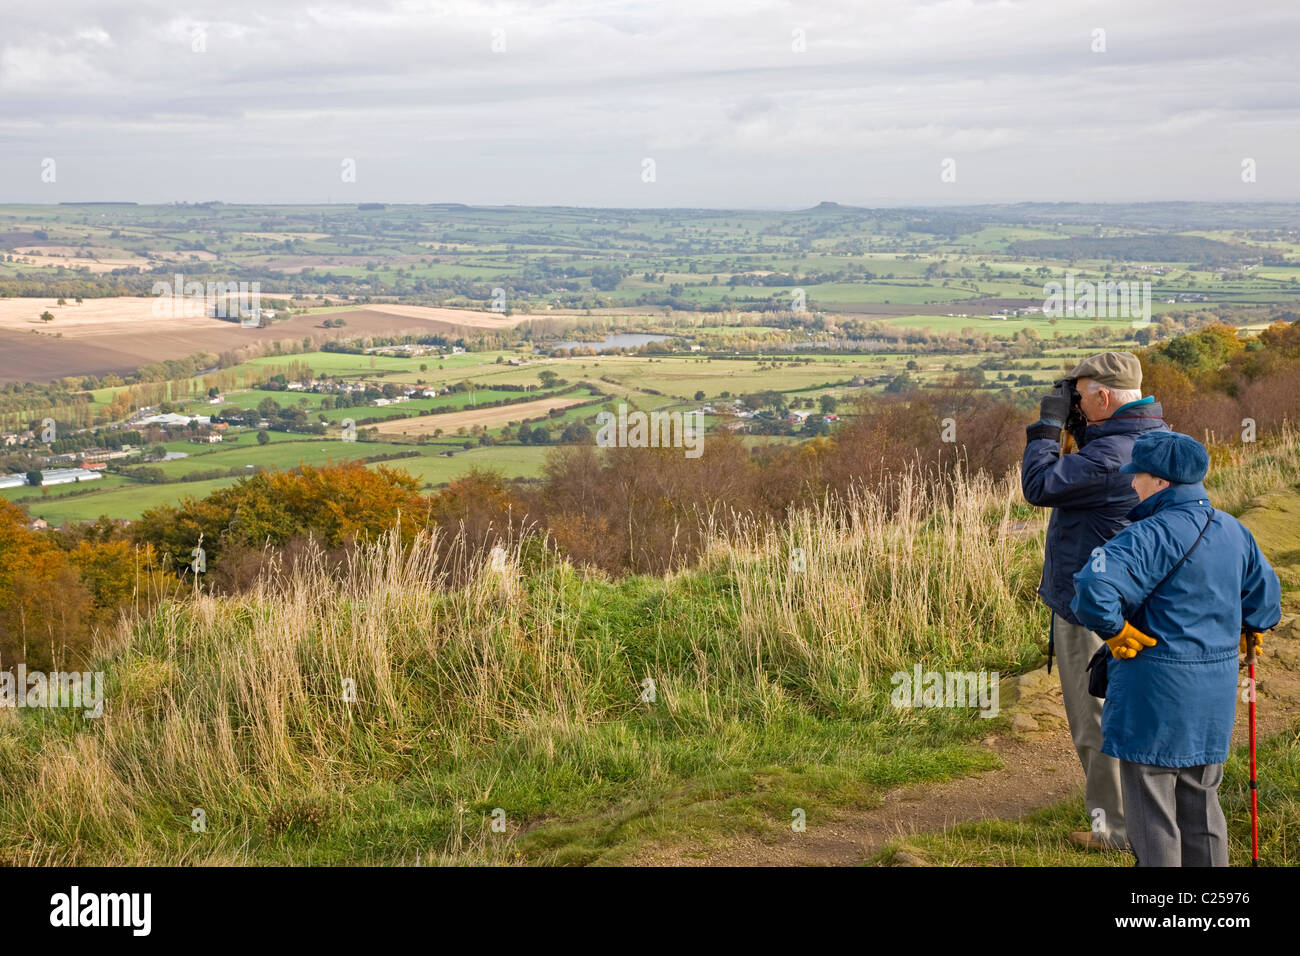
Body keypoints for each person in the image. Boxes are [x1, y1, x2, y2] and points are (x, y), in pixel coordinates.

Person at [1071, 431, 1281, 866]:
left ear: (1162, 483)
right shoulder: (1235, 531)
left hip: (1154, 694)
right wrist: (1252, 627)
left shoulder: (1147, 535)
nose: (1132, 484)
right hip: (1213, 696)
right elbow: (1265, 594)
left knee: (1153, 811)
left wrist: (1113, 631)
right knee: (1203, 802)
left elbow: (1092, 584)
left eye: (1139, 476)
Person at [1021, 351, 1168, 851]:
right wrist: (1082, 424)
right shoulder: (1151, 438)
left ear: (1104, 397)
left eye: (1082, 398)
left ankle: (1117, 831)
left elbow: (1040, 485)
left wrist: (1047, 427)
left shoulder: (1109, 457)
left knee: (1096, 720)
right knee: (1129, 715)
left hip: (1093, 609)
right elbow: (1096, 468)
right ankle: (1148, 817)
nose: (1076, 405)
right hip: (1136, 600)